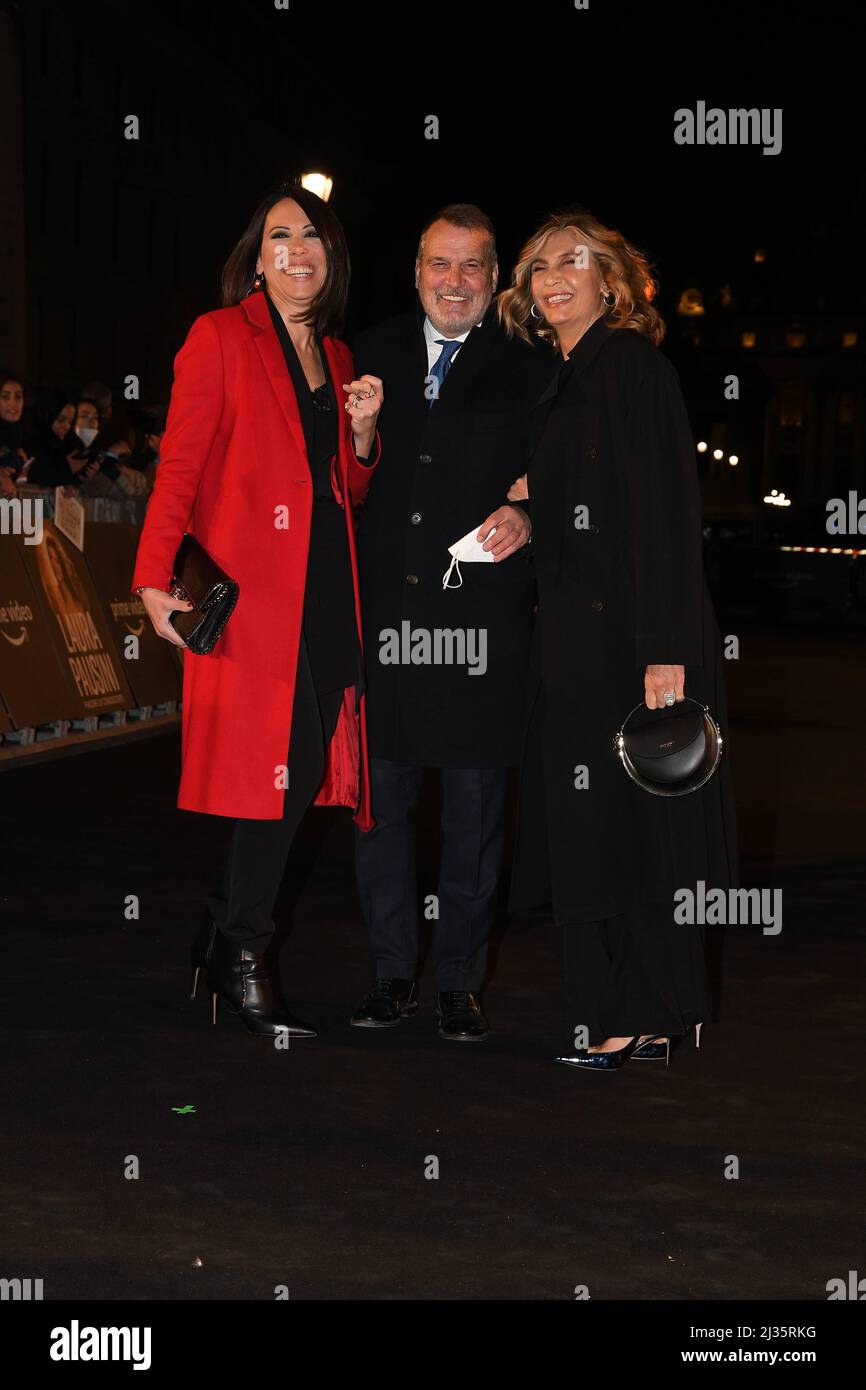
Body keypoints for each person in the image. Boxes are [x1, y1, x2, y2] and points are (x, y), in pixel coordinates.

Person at [131, 184, 382, 1038]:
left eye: (311, 237)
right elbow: (180, 465)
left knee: (294, 774)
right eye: (281, 236)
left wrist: (363, 437)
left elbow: (345, 491)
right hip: (253, 601)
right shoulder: (220, 337)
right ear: (258, 253)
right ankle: (241, 953)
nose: (297, 250)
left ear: (331, 255)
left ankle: (217, 937)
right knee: (277, 775)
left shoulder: (340, 358)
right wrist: (153, 578)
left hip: (323, 595)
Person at [500, 209, 738, 1071]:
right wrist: (530, 511)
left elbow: (668, 514)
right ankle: (620, 1010)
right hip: (574, 642)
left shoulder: (634, 369)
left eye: (576, 261)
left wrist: (666, 647)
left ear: (613, 281)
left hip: (633, 643)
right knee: (593, 826)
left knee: (633, 826)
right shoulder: (563, 379)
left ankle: (642, 1013)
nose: (556, 276)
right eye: (540, 267)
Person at [351, 204, 554, 1041]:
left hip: (481, 625)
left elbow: (566, 465)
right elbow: (338, 474)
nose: (455, 281)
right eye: (441, 263)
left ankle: (460, 982)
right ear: (417, 271)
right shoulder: (370, 350)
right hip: (389, 621)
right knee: (380, 808)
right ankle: (392, 972)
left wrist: (536, 517)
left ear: (496, 276)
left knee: (475, 816)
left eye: (473, 266)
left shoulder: (533, 359)